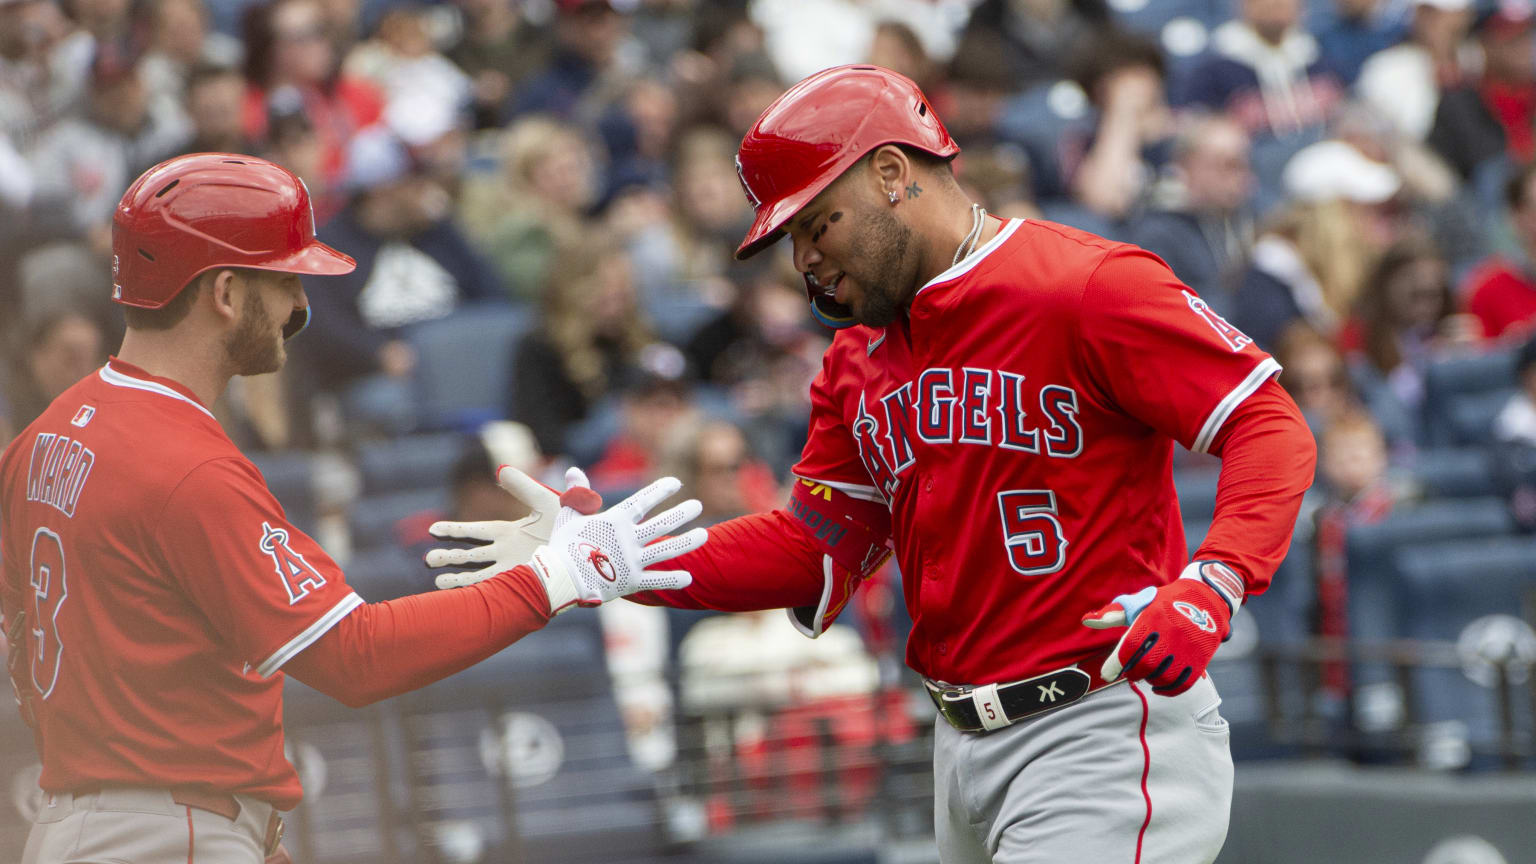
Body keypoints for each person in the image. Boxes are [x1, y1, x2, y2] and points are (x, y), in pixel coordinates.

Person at [432, 65, 1318, 863]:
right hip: (959, 746)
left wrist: (1217, 578)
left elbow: (1270, 425)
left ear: (893, 175)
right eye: (791, 238)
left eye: (819, 222)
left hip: (1098, 723)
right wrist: (614, 564)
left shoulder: (1085, 286)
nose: (805, 258)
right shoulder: (857, 359)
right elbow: (814, 546)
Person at [0, 152, 706, 863]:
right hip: (162, 829)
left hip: (84, 822)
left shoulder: (42, 438)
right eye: (285, 280)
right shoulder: (186, 464)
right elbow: (356, 657)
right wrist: (557, 577)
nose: (300, 308)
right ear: (222, 291)